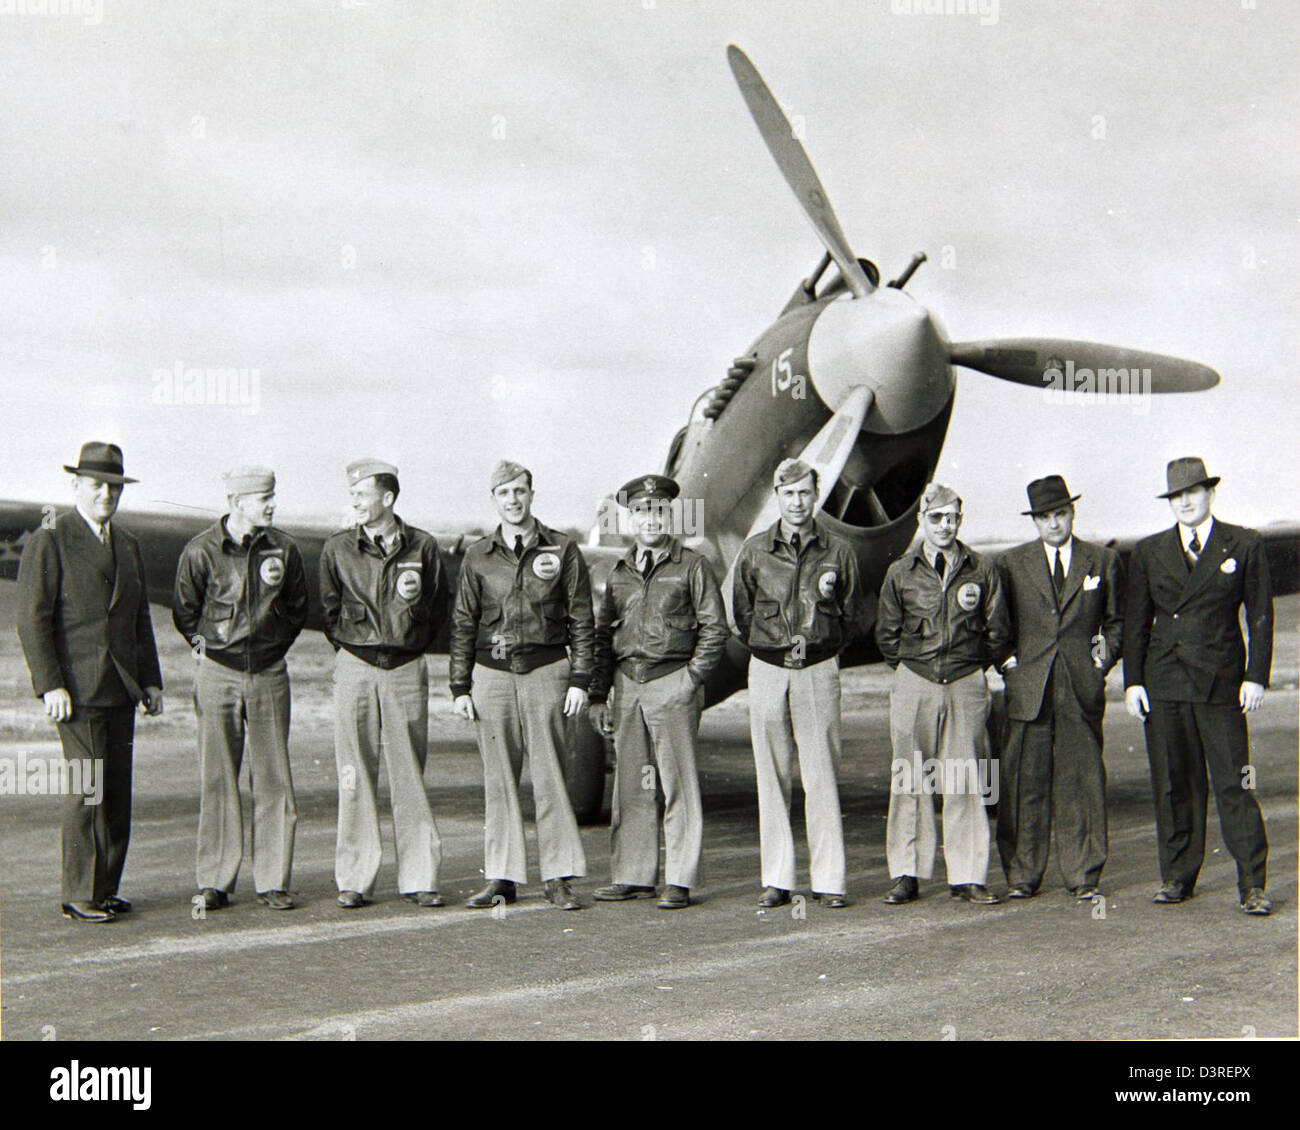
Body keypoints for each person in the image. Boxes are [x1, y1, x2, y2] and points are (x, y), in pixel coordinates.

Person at [16, 442, 163, 923]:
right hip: (76, 692)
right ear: (75, 485)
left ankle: (104, 890)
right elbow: (33, 620)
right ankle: (79, 893)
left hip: (120, 689)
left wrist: (151, 681)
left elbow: (139, 619)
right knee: (87, 790)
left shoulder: (128, 544)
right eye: (97, 484)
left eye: (114, 486)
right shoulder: (50, 539)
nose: (106, 494)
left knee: (116, 792)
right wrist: (50, 685)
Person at [1123, 458, 1273, 915]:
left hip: (1221, 684)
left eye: (1192, 492)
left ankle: (1252, 884)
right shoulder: (1148, 552)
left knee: (1234, 784)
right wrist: (1133, 683)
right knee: (1174, 785)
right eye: (1175, 496)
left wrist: (1255, 676)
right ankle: (1177, 877)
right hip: (1165, 683)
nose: (1184, 501)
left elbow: (1261, 616)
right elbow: (1135, 624)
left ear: (1210, 493)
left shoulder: (1243, 544)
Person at [450, 461, 594, 911]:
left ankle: (559, 876)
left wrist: (580, 678)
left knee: (551, 775)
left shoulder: (563, 549)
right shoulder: (478, 555)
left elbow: (581, 619)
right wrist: (459, 686)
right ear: (493, 499)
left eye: (519, 491)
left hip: (546, 670)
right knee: (499, 778)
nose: (512, 500)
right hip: (491, 675)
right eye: (503, 493)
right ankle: (501, 877)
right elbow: (462, 623)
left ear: (532, 494)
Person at [589, 475, 728, 910]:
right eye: (642, 512)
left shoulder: (692, 566)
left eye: (658, 511)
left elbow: (714, 627)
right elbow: (601, 634)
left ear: (669, 516)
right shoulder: (619, 572)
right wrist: (599, 693)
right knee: (631, 784)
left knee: (677, 783)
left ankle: (680, 879)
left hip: (672, 681)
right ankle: (633, 875)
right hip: (628, 683)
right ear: (631, 519)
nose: (650, 520)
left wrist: (691, 679)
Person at [173, 467, 308, 912]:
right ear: (236, 500)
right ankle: (214, 880)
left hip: (269, 675)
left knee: (273, 778)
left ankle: (273, 881)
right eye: (262, 498)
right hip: (218, 675)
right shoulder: (201, 551)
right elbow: (185, 612)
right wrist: (209, 651)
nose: (271, 504)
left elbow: (296, 609)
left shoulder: (284, 549)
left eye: (272, 496)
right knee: (218, 777)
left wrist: (268, 649)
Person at [732, 458, 861, 909]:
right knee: (771, 773)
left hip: (819, 669)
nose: (798, 501)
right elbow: (742, 614)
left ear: (815, 494)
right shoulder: (754, 551)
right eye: (789, 493)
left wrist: (819, 648)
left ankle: (829, 881)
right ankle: (778, 879)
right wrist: (773, 648)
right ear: (777, 495)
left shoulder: (838, 551)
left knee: (821, 772)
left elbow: (849, 617)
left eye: (805, 492)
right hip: (767, 669)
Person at [319, 459, 447, 909]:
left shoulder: (424, 547)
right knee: (354, 773)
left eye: (362, 493)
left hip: (407, 669)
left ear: (388, 499)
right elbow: (329, 611)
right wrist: (360, 645)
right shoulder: (337, 548)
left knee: (409, 771)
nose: (354, 500)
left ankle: (420, 877)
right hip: (355, 665)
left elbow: (437, 609)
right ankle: (354, 878)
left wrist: (405, 641)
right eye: (351, 493)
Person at [875, 482, 1010, 906]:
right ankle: (906, 872)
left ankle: (968, 875)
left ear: (960, 521)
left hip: (966, 680)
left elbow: (997, 631)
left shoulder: (982, 569)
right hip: (915, 679)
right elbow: (887, 635)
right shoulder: (901, 571)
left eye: (952, 518)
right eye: (936, 518)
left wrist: (968, 666)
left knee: (966, 776)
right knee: (909, 776)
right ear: (922, 521)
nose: (945, 525)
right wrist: (918, 667)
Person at [995, 475, 1123, 902]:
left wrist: (1098, 663)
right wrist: (1008, 664)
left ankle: (1083, 874)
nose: (1053, 523)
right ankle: (1021, 875)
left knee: (1081, 781)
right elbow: (998, 626)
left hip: (1079, 687)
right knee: (1022, 782)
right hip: (1029, 687)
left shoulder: (1101, 561)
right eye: (1044, 517)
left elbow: (1115, 624)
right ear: (1034, 521)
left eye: (1060, 514)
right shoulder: (1011, 564)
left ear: (1072, 513)